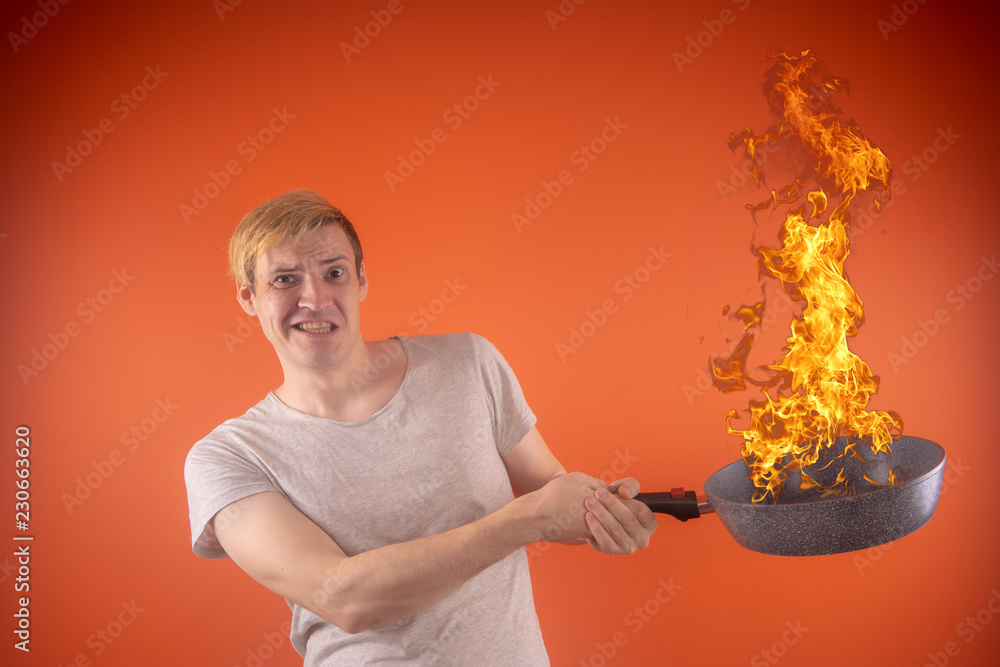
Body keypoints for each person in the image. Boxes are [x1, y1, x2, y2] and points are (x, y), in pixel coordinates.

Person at [183, 189, 657, 665]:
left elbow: (553, 495)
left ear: (361, 280)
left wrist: (602, 518)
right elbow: (344, 598)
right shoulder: (229, 457)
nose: (316, 298)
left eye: (334, 273)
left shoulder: (468, 363)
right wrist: (528, 518)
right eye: (285, 279)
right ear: (248, 297)